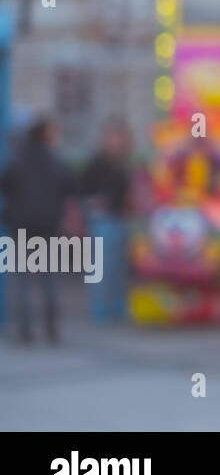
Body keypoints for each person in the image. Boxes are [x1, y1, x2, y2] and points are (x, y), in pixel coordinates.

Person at [0, 119, 76, 344]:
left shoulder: (17, 161)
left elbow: (5, 186)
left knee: (22, 281)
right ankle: (52, 330)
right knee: (49, 281)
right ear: (45, 135)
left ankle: (24, 332)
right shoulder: (55, 161)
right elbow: (69, 188)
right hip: (49, 228)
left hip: (20, 228)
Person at [80, 118, 135, 324]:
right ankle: (101, 309)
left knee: (117, 268)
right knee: (101, 267)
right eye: (113, 136)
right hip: (103, 219)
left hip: (120, 217)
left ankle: (117, 307)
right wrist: (94, 202)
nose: (116, 141)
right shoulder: (98, 162)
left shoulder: (122, 162)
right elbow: (84, 188)